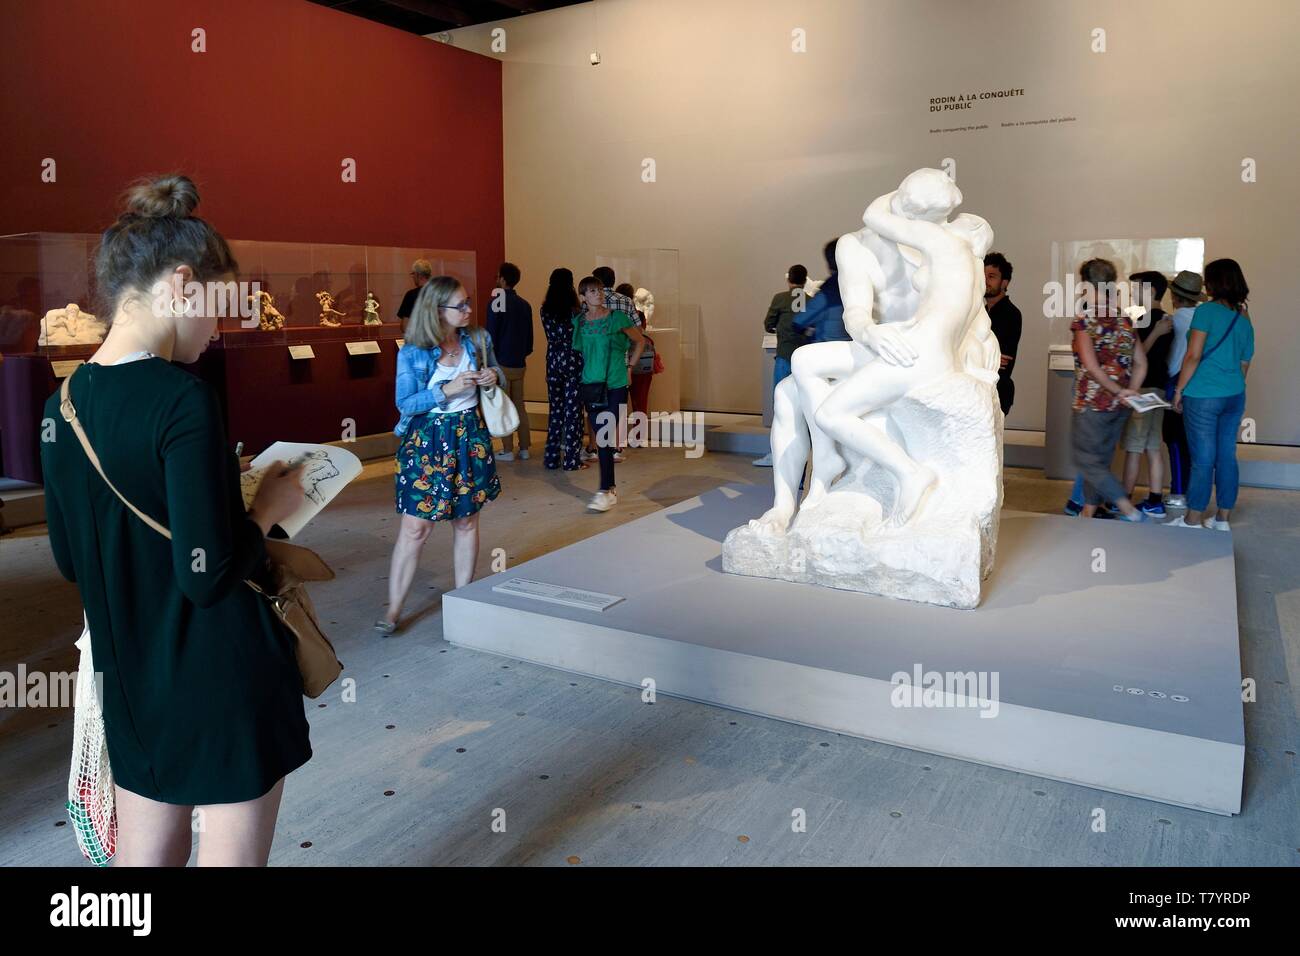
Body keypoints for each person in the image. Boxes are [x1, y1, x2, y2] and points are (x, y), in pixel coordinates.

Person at [39, 174, 311, 866]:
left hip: (130, 680)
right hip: (217, 678)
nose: (218, 330)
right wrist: (266, 512)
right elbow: (207, 576)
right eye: (219, 307)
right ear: (183, 284)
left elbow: (73, 560)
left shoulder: (61, 406)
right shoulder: (181, 401)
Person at [379, 277, 503, 631]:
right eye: (459, 306)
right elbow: (404, 403)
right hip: (427, 440)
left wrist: (492, 376)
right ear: (436, 310)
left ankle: (463, 602)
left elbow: (499, 377)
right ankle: (394, 610)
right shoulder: (414, 350)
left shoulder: (478, 339)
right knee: (415, 526)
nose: (468, 310)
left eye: (467, 303)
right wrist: (446, 390)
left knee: (466, 520)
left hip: (469, 435)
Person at [1167, 259, 1255, 531]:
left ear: (1216, 282)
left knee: (1203, 458)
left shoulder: (1206, 311)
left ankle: (1193, 520)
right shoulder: (1244, 317)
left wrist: (1179, 389)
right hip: (1234, 395)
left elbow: (1192, 355)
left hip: (1204, 395)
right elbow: (1244, 362)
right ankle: (1222, 519)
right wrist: (1230, 385)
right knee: (1227, 455)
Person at [1068, 258, 1148, 521]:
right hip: (1119, 408)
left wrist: (1116, 391)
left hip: (1092, 404)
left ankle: (1125, 505)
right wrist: (1129, 391)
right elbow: (1141, 363)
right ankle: (1088, 514)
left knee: (1086, 461)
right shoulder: (1125, 320)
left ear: (1089, 285)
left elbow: (1092, 367)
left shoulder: (1085, 321)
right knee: (1099, 462)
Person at [573, 275, 645, 511]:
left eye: (600, 290)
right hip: (591, 384)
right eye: (592, 291)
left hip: (614, 382)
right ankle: (609, 489)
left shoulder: (617, 318)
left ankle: (606, 489)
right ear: (583, 297)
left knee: (604, 435)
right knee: (600, 436)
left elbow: (640, 341)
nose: (598, 294)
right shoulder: (580, 323)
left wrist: (629, 367)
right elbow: (582, 352)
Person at [1120, 271, 1173, 515]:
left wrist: (1151, 335)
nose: (1132, 293)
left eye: (1136, 289)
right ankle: (1154, 499)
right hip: (1160, 389)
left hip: (1142, 389)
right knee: (1152, 447)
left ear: (1151, 291)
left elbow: (1139, 357)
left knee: (1134, 448)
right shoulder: (1168, 320)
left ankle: (1125, 500)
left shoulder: (1144, 320)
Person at [754, 264, 810, 467]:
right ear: (805, 280)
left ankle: (776, 454)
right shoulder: (811, 300)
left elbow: (768, 323)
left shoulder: (780, 298)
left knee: (781, 407)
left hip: (785, 356)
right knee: (805, 408)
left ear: (789, 280)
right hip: (804, 361)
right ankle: (805, 456)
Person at [1162, 270, 1204, 508]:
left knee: (1174, 439)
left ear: (1175, 296)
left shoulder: (1173, 321)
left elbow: (1171, 358)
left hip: (1176, 383)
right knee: (1193, 441)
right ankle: (1193, 492)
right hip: (1199, 386)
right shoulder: (1203, 317)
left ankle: (1179, 491)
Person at [485, 262, 533, 461]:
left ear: (503, 279)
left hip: (501, 362)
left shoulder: (498, 300)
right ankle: (524, 448)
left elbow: (491, 333)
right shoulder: (524, 304)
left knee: (503, 406)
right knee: (519, 405)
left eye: (498, 276)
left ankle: (507, 449)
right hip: (520, 362)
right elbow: (530, 338)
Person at [540, 268, 585, 471]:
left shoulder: (545, 309)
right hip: (573, 361)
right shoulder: (576, 311)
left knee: (556, 411)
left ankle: (551, 458)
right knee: (573, 413)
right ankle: (571, 460)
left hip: (553, 361)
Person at [983, 252, 1021, 415]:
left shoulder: (1011, 313)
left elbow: (1001, 361)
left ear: (1004, 282)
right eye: (983, 275)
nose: (985, 281)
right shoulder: (980, 313)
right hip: (978, 389)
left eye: (991, 276)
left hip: (998, 391)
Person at [792, 240, 850, 344]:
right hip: (855, 352)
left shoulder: (827, 293)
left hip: (827, 350)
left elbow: (798, 323)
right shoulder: (860, 286)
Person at [616, 281, 655, 434]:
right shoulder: (637, 315)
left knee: (618, 402)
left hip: (620, 361)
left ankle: (619, 436)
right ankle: (639, 436)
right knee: (640, 400)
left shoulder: (612, 314)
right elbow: (641, 332)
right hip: (640, 362)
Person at [396, 258, 432, 324]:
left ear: (418, 275)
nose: (412, 277)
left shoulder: (411, 295)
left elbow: (405, 326)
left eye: (413, 274)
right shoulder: (439, 294)